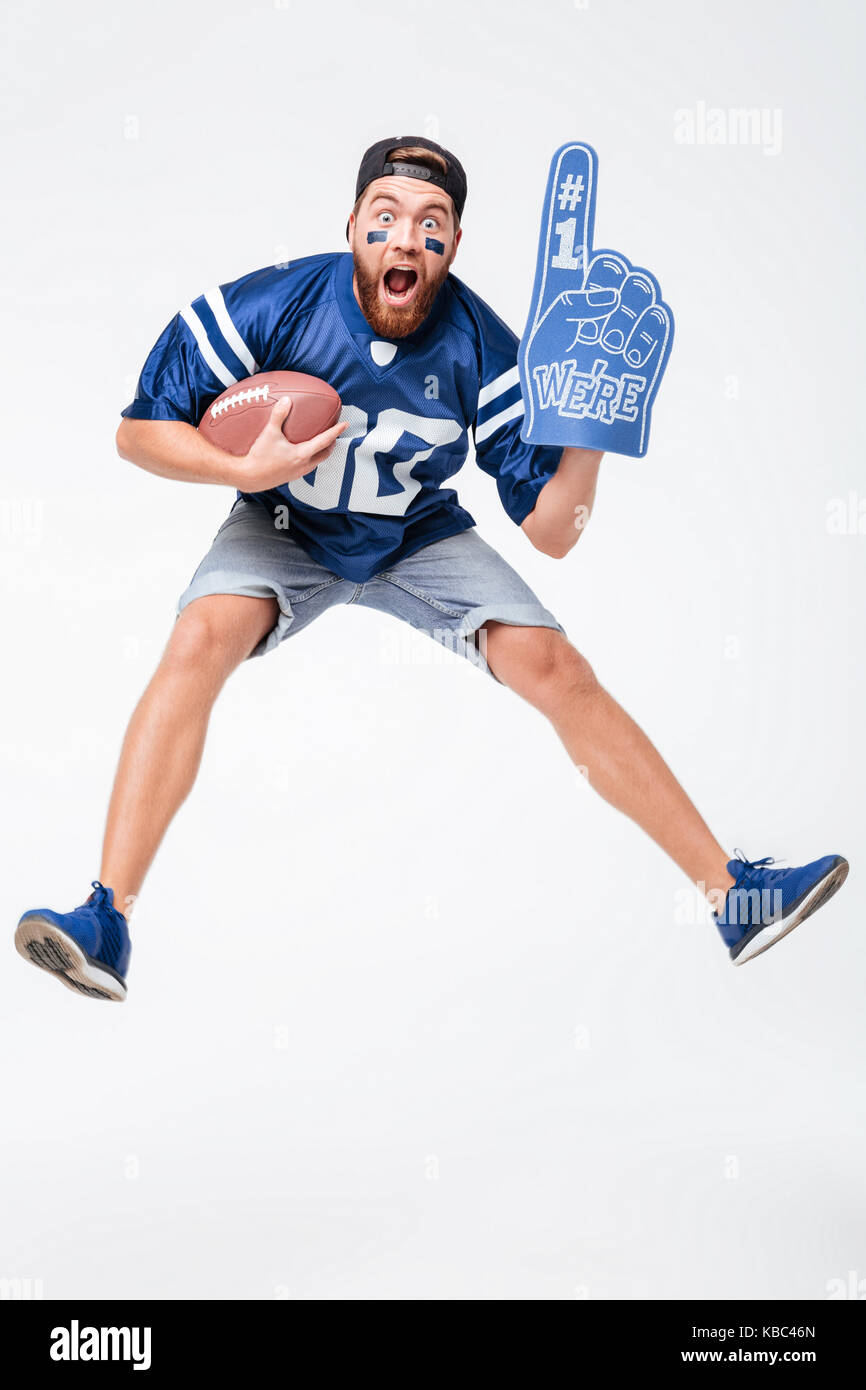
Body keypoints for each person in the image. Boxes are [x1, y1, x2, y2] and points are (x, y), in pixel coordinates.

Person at [15, 135, 848, 1001]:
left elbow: (556, 532)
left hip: (416, 534)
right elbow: (136, 433)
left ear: (452, 246)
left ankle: (733, 896)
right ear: (351, 228)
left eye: (431, 224)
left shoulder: (482, 343)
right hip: (283, 519)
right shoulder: (272, 305)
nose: (406, 239)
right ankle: (107, 918)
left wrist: (594, 443)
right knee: (198, 640)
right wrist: (240, 473)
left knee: (558, 668)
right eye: (386, 217)